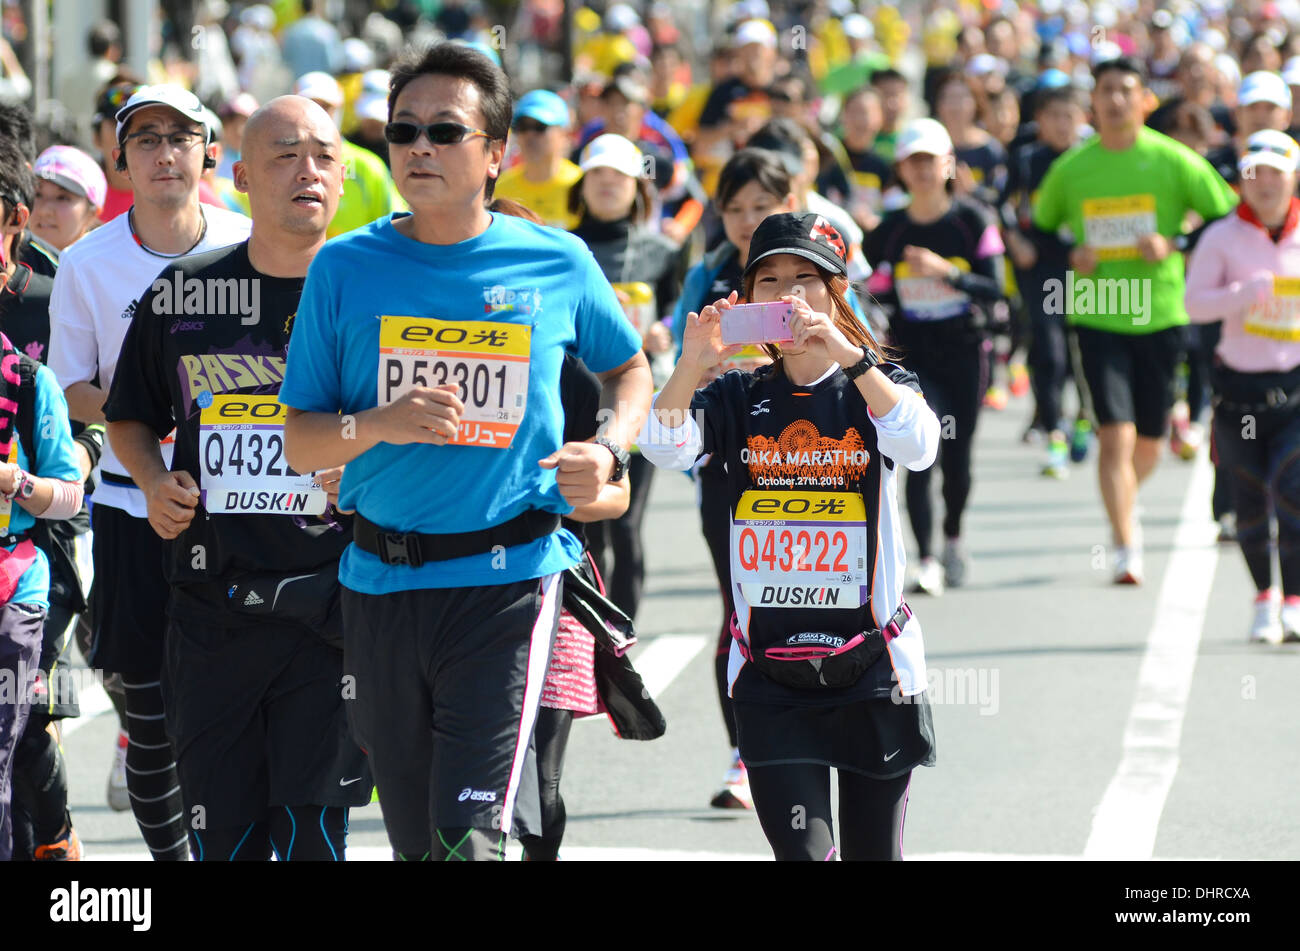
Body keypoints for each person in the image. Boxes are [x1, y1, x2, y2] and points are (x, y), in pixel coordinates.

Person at [278, 42, 652, 862]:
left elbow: (629, 367)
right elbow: (301, 439)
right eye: (401, 130)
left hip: (506, 585)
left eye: (444, 132)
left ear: (496, 153)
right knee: (418, 845)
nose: (417, 147)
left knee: (467, 843)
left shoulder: (555, 260)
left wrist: (611, 450)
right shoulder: (344, 267)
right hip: (377, 585)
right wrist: (381, 422)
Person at [103, 95, 374, 860]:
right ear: (243, 176)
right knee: (225, 841)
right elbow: (127, 414)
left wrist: (362, 469)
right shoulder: (185, 291)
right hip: (210, 611)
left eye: (323, 154)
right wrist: (154, 481)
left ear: (346, 176)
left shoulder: (373, 298)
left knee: (313, 837)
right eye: (283, 154)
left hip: (335, 610)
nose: (306, 171)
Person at [639, 211, 939, 860]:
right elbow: (661, 445)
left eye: (806, 279)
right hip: (771, 677)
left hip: (872, 668)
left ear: (838, 292)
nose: (788, 293)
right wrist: (691, 365)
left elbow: (919, 445)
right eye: (768, 279)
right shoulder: (736, 396)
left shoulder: (878, 387)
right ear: (747, 299)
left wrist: (850, 355)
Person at [48, 84, 252, 860]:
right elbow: (69, 384)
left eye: (181, 137)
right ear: (122, 158)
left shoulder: (251, 243)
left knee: (236, 705)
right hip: (132, 513)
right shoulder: (87, 263)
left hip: (240, 514)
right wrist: (142, 417)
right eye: (145, 139)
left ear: (209, 151)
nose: (165, 152)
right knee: (150, 718)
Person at [1032, 56, 1238, 585]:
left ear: (1145, 98)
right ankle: (1126, 543)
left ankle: (1124, 498)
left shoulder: (1172, 159)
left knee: (1148, 442)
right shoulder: (1073, 167)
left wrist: (1176, 241)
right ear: (1093, 103)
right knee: (1114, 437)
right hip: (1098, 317)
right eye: (1106, 91)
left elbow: (1223, 214)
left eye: (1127, 89)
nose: (1117, 99)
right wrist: (1071, 252)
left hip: (1162, 314)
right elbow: (1041, 228)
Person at [672, 148, 795, 809]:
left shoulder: (814, 267)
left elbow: (861, 347)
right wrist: (705, 367)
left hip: (812, 464)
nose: (747, 221)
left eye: (761, 207)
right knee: (740, 605)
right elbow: (678, 358)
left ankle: (814, 736)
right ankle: (743, 753)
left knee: (809, 601)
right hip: (726, 463)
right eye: (735, 209)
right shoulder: (710, 276)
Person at [865, 118, 1007, 596]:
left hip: (965, 352)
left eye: (931, 160)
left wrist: (949, 273)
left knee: (958, 457)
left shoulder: (973, 222)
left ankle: (952, 537)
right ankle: (923, 557)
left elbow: (997, 289)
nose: (923, 171)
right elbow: (869, 292)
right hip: (912, 358)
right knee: (917, 454)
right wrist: (882, 291)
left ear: (948, 164)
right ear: (902, 170)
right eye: (913, 162)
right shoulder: (890, 229)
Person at [0, 161, 87, 863]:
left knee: (24, 725)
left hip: (34, 563)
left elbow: (113, 410)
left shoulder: (62, 298)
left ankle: (52, 840)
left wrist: (16, 480)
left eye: (69, 197)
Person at [1185, 129, 1300, 644]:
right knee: (1251, 498)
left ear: (1293, 177)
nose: (1265, 183)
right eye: (1254, 174)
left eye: (1275, 173)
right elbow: (1195, 304)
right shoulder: (1221, 236)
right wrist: (1243, 295)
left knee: (1293, 492)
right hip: (1239, 394)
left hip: (1294, 388)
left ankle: (1295, 600)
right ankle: (1263, 599)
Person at [568, 133, 686, 620]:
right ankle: (584, 631)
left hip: (639, 399)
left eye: (617, 176)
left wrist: (663, 333)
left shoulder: (663, 250)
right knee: (584, 525)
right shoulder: (563, 248)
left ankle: (623, 636)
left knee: (627, 524)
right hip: (576, 397)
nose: (606, 184)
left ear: (638, 187)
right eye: (596, 174)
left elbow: (682, 311)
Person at [1000, 83, 1088, 477]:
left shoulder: (1091, 158)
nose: (1062, 124)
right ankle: (1054, 433)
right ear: (1040, 121)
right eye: (1054, 116)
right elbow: (999, 205)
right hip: (1039, 266)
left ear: (1082, 119)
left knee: (1083, 350)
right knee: (1049, 352)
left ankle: (1085, 419)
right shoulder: (1026, 159)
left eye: (1069, 116)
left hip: (1087, 266)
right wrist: (1015, 240)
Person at [292, 71, 404, 238]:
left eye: (325, 106)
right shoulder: (277, 162)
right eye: (308, 105)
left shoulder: (367, 166)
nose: (316, 115)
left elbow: (396, 226)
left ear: (339, 109)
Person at [495, 89, 582, 230]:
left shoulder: (580, 184)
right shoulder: (501, 187)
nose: (530, 135)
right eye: (522, 127)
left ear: (563, 133)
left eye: (539, 127)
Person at [28, 147, 107, 259]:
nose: (44, 211)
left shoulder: (104, 271)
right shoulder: (8, 264)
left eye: (62, 198)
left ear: (92, 214)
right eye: (38, 194)